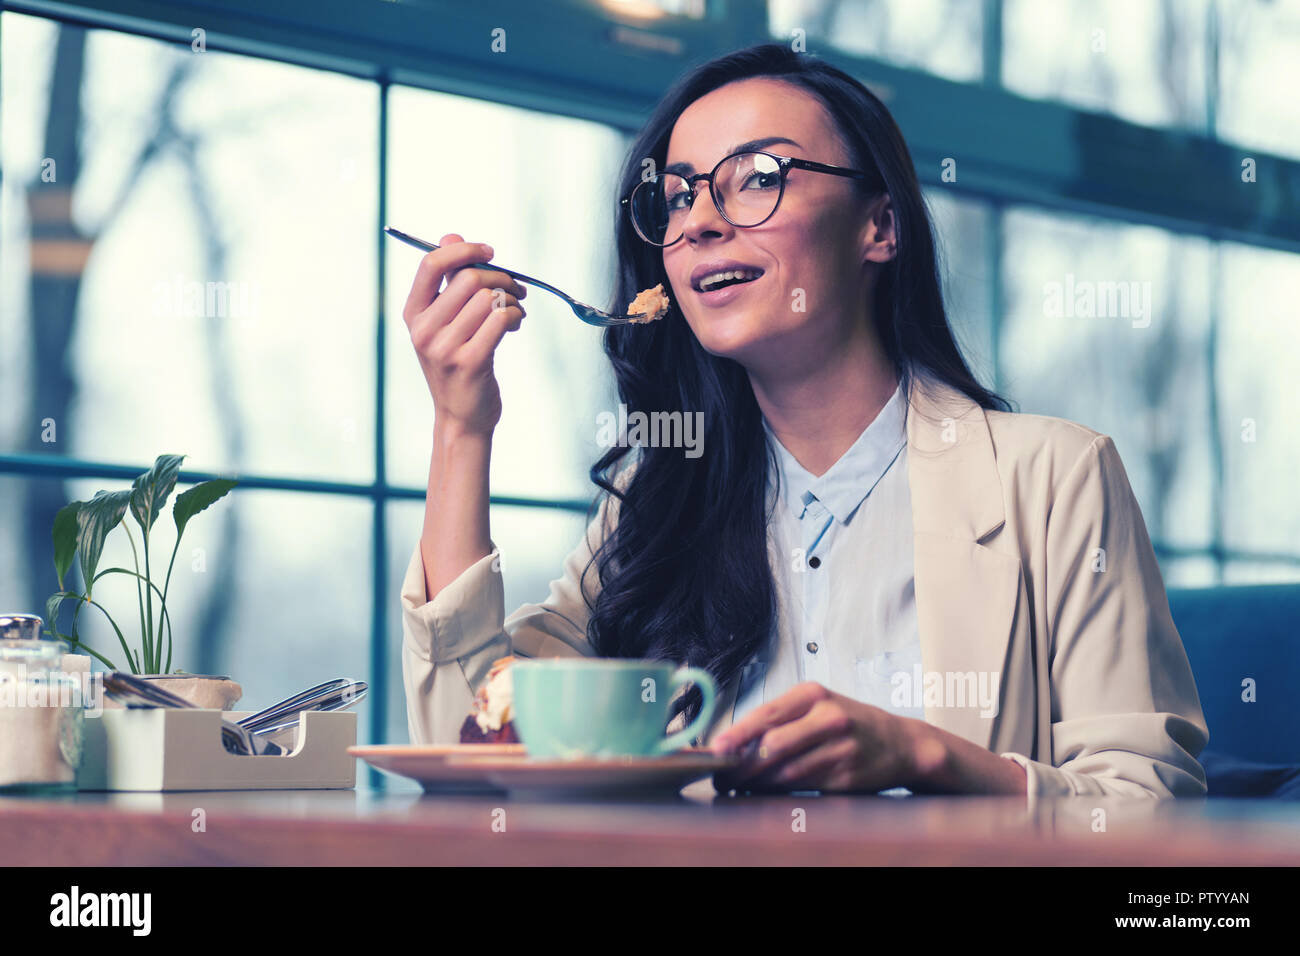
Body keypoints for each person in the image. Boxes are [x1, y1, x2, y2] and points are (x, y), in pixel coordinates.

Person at [398, 43, 1208, 799]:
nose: (699, 221)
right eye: (678, 194)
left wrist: (928, 757)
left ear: (879, 228)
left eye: (757, 177)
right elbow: (469, 751)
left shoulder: (1055, 478)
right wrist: (460, 429)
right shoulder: (654, 504)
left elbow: (1146, 802)